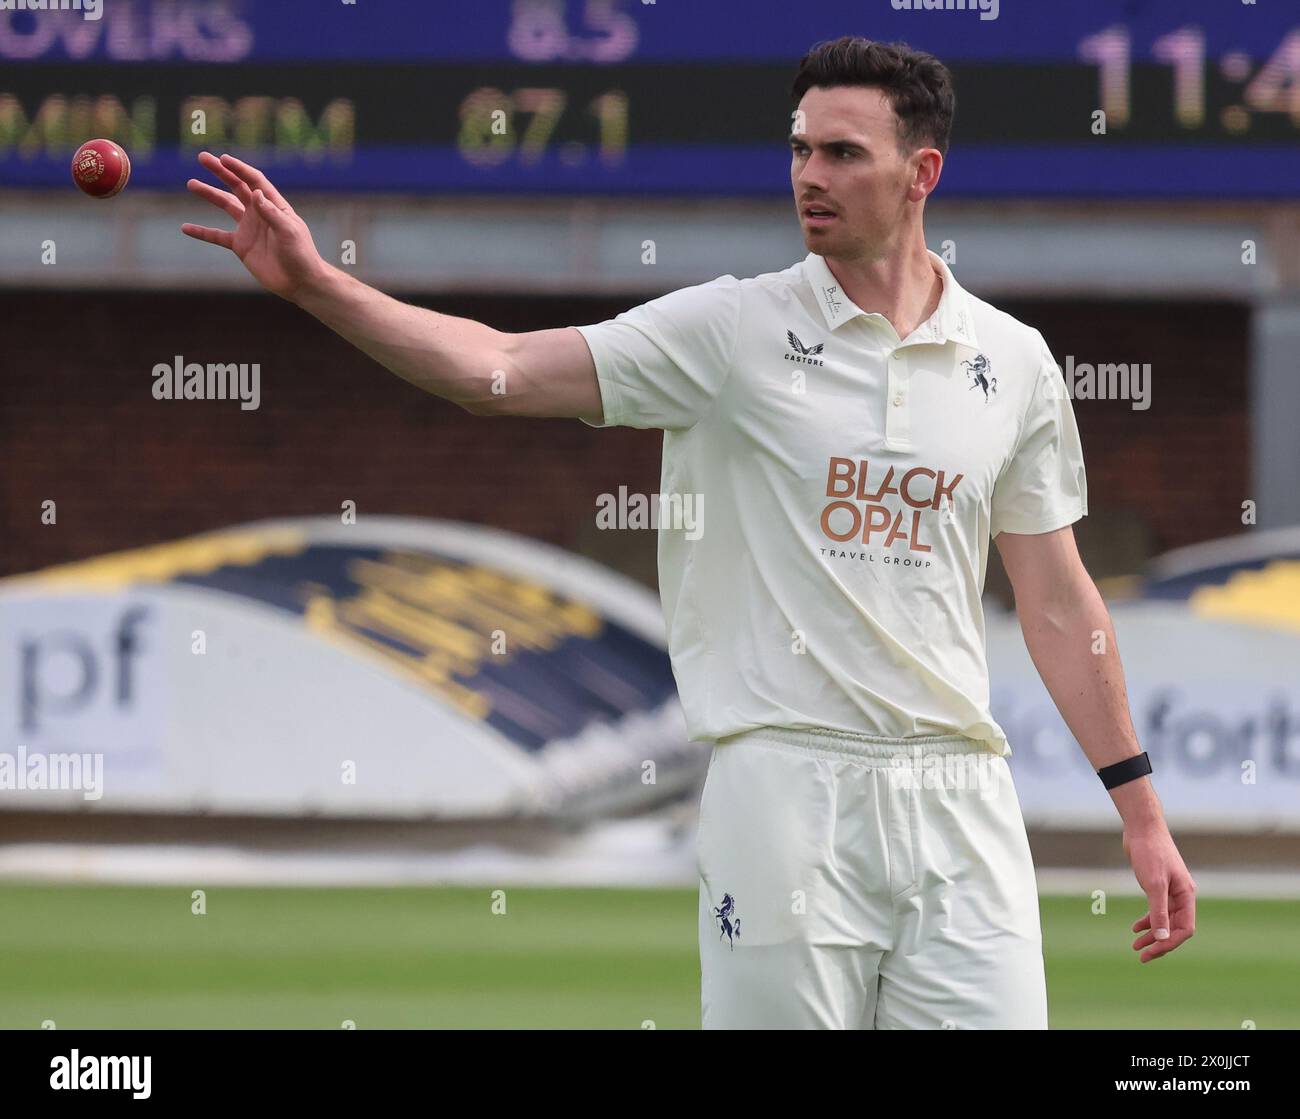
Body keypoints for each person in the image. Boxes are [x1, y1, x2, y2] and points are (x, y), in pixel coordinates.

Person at [181, 35, 1196, 1030]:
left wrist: (1140, 814)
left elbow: (1059, 600)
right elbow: (497, 369)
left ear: (921, 170)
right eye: (799, 148)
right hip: (784, 790)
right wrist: (320, 284)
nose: (810, 173)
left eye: (842, 152)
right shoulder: (728, 330)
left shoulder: (1012, 363)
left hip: (961, 792)